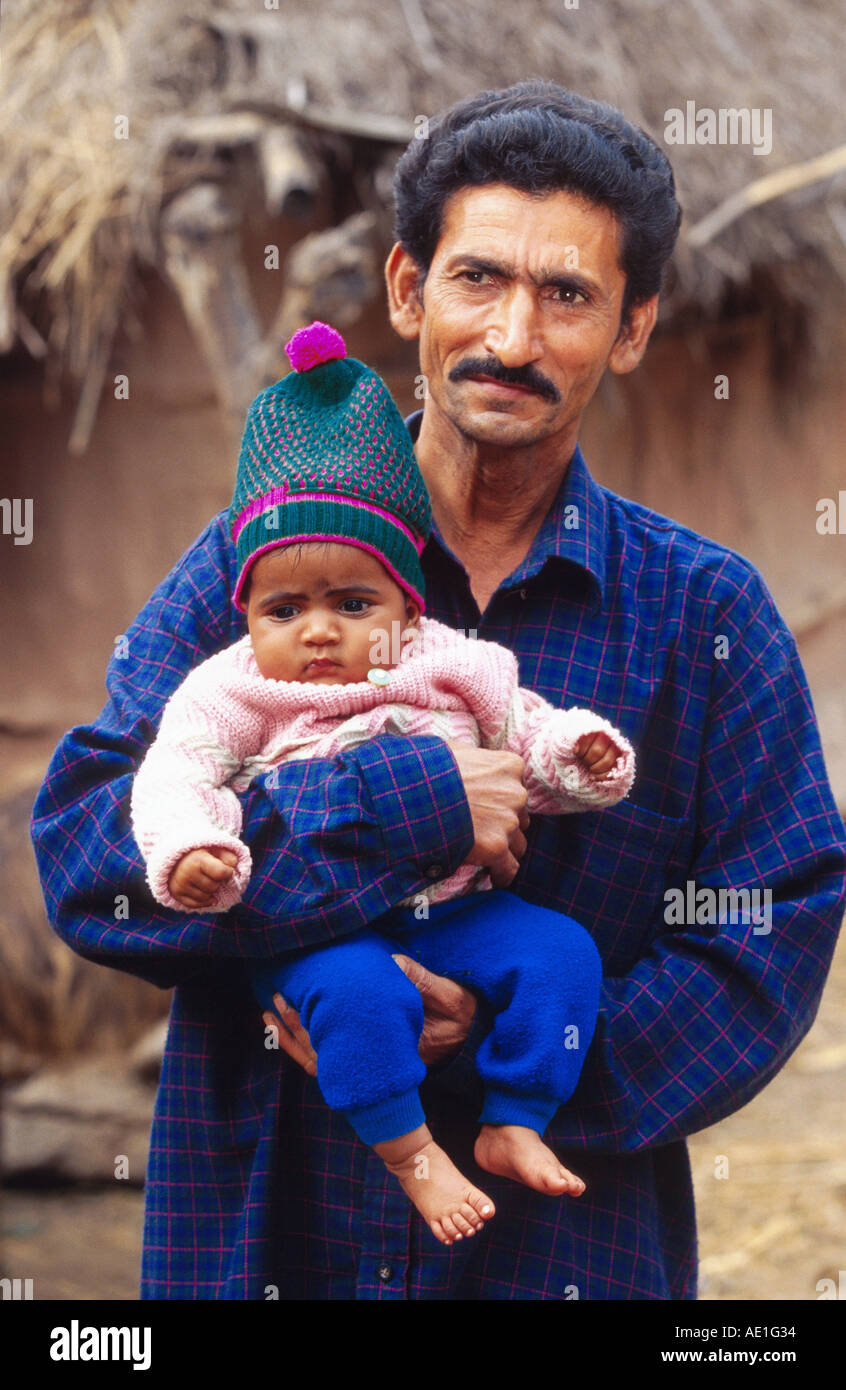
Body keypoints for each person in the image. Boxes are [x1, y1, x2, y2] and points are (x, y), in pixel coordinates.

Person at [31, 81, 846, 1300]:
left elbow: (767, 924)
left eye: (567, 295)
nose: (512, 338)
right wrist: (395, 805)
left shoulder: (705, 616)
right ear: (408, 289)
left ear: (631, 330)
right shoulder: (256, 567)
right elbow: (88, 857)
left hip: (559, 1252)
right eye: (479, 280)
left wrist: (533, 1050)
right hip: (267, 1237)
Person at [129, 319, 635, 1245]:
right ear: (243, 612)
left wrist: (581, 756)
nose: (318, 631)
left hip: (456, 912)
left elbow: (526, 732)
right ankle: (411, 1156)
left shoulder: (453, 661)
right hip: (321, 923)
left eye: (353, 604)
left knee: (562, 954)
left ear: (408, 602)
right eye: (286, 609)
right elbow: (174, 774)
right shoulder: (234, 685)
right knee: (360, 999)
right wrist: (191, 849)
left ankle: (515, 1118)